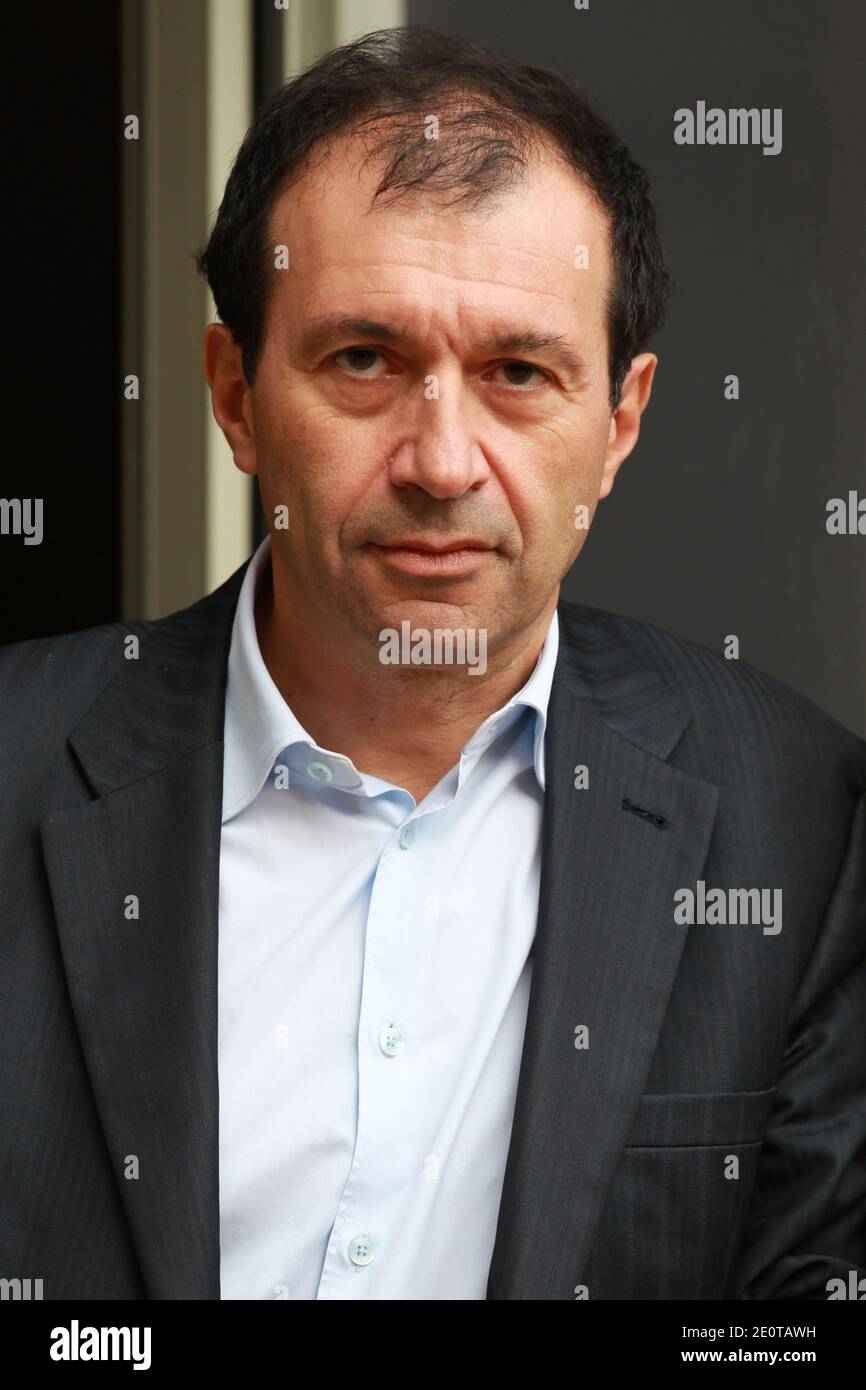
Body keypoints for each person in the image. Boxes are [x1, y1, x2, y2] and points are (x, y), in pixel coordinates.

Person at [1, 26, 863, 1302]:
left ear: (617, 422)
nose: (441, 462)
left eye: (518, 372)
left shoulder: (802, 820)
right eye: (364, 360)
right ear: (235, 396)